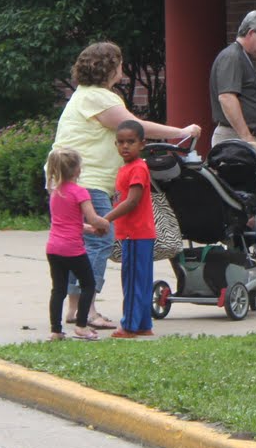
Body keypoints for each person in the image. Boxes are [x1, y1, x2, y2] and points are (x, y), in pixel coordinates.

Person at [53, 41, 202, 329]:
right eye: (119, 63)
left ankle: (74, 308)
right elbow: (136, 129)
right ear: (110, 68)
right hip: (88, 182)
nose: (122, 68)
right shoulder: (100, 98)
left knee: (80, 244)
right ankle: (89, 310)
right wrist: (181, 132)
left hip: (68, 183)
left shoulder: (83, 96)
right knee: (99, 241)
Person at [43, 147, 112, 341]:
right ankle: (82, 325)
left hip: (54, 248)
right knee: (88, 284)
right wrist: (105, 224)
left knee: (58, 289)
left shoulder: (56, 193)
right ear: (78, 170)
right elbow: (94, 218)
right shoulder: (80, 192)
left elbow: (66, 221)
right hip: (73, 249)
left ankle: (55, 330)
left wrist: (88, 229)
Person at [101, 120, 156, 338]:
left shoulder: (138, 168)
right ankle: (143, 323)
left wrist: (106, 219)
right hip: (137, 234)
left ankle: (130, 326)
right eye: (121, 142)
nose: (125, 146)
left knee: (133, 281)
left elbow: (132, 201)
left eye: (131, 142)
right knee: (141, 280)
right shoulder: (127, 168)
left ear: (142, 144)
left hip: (136, 233)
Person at [210, 11, 256, 147]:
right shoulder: (232, 56)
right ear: (251, 33)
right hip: (235, 137)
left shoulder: (242, 56)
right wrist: (247, 137)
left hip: (241, 137)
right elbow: (227, 97)